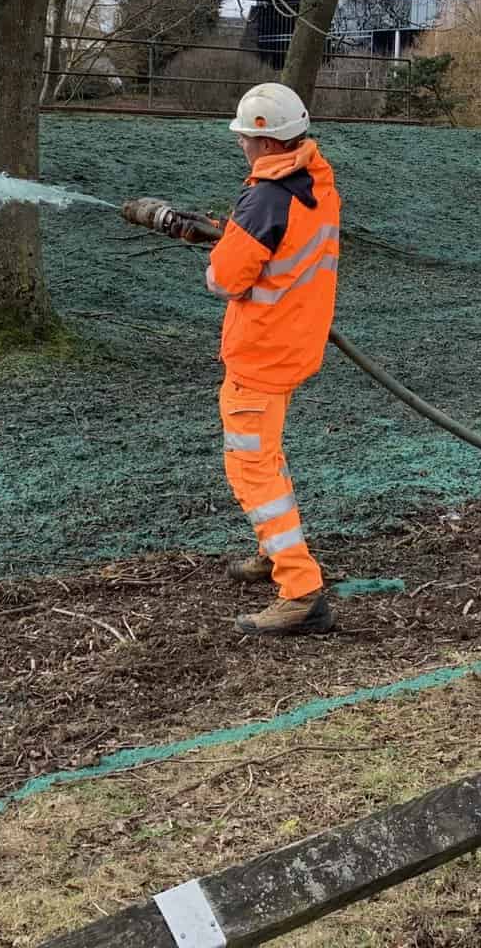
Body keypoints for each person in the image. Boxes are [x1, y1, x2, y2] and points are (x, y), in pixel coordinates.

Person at [202, 82, 341, 635]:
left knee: (251, 467)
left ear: (264, 142)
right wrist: (231, 232)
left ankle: (300, 590)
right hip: (294, 343)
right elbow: (280, 246)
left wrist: (222, 252)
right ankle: (271, 549)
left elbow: (225, 279)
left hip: (261, 352)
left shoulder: (264, 198)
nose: (240, 144)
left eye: (244, 137)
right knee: (267, 451)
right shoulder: (316, 182)